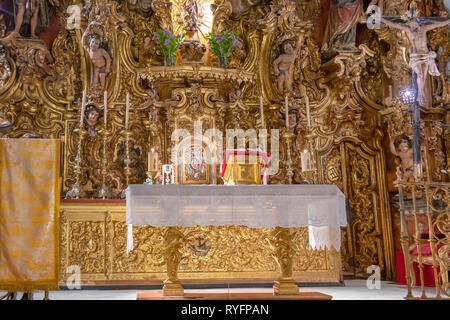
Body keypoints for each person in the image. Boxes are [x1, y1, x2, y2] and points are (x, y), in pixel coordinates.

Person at [379, 2, 450, 106]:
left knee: (424, 75)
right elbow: (394, 24)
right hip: (416, 57)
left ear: (417, 22)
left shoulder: (424, 29)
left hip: (425, 56)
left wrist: (448, 21)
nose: (413, 25)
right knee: (420, 74)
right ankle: (420, 95)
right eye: (411, 23)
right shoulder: (408, 30)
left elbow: (438, 24)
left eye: (414, 23)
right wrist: (382, 19)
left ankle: (421, 94)